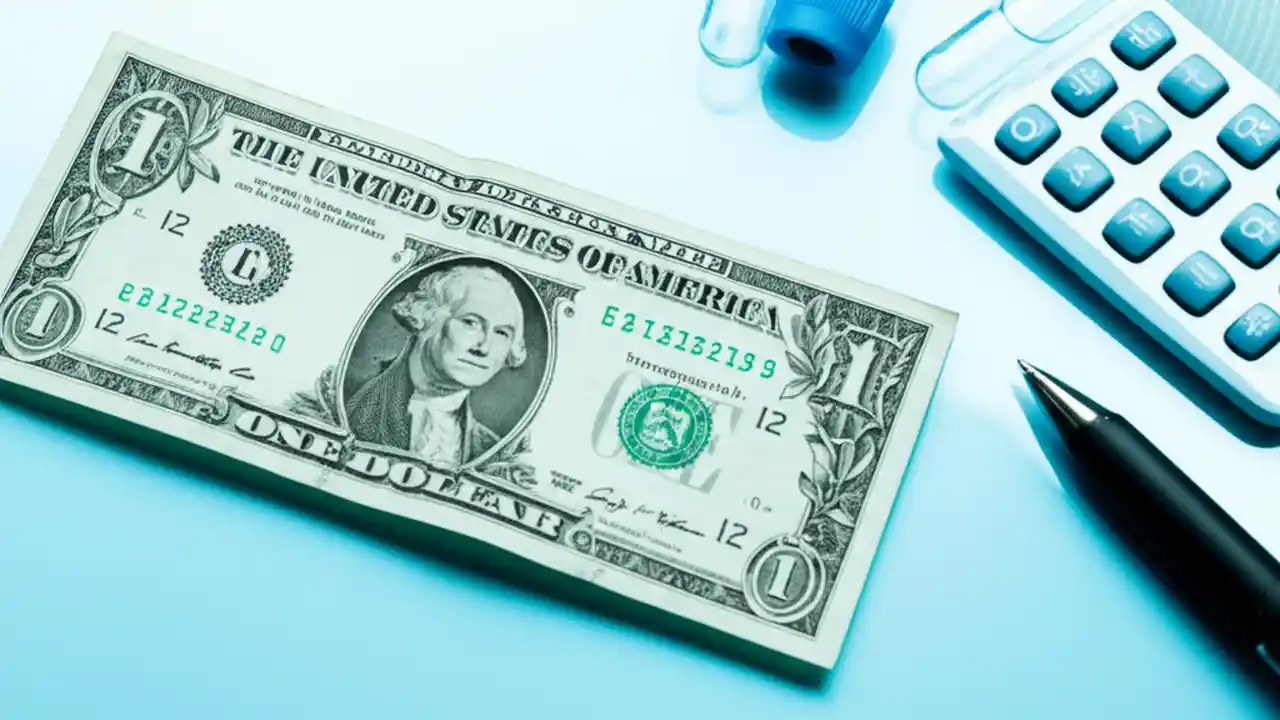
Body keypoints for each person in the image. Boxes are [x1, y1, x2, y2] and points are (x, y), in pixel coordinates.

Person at [347, 264, 526, 468]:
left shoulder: (491, 453)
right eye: (470, 323)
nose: (484, 348)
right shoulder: (355, 406)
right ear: (427, 317)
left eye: (502, 333)